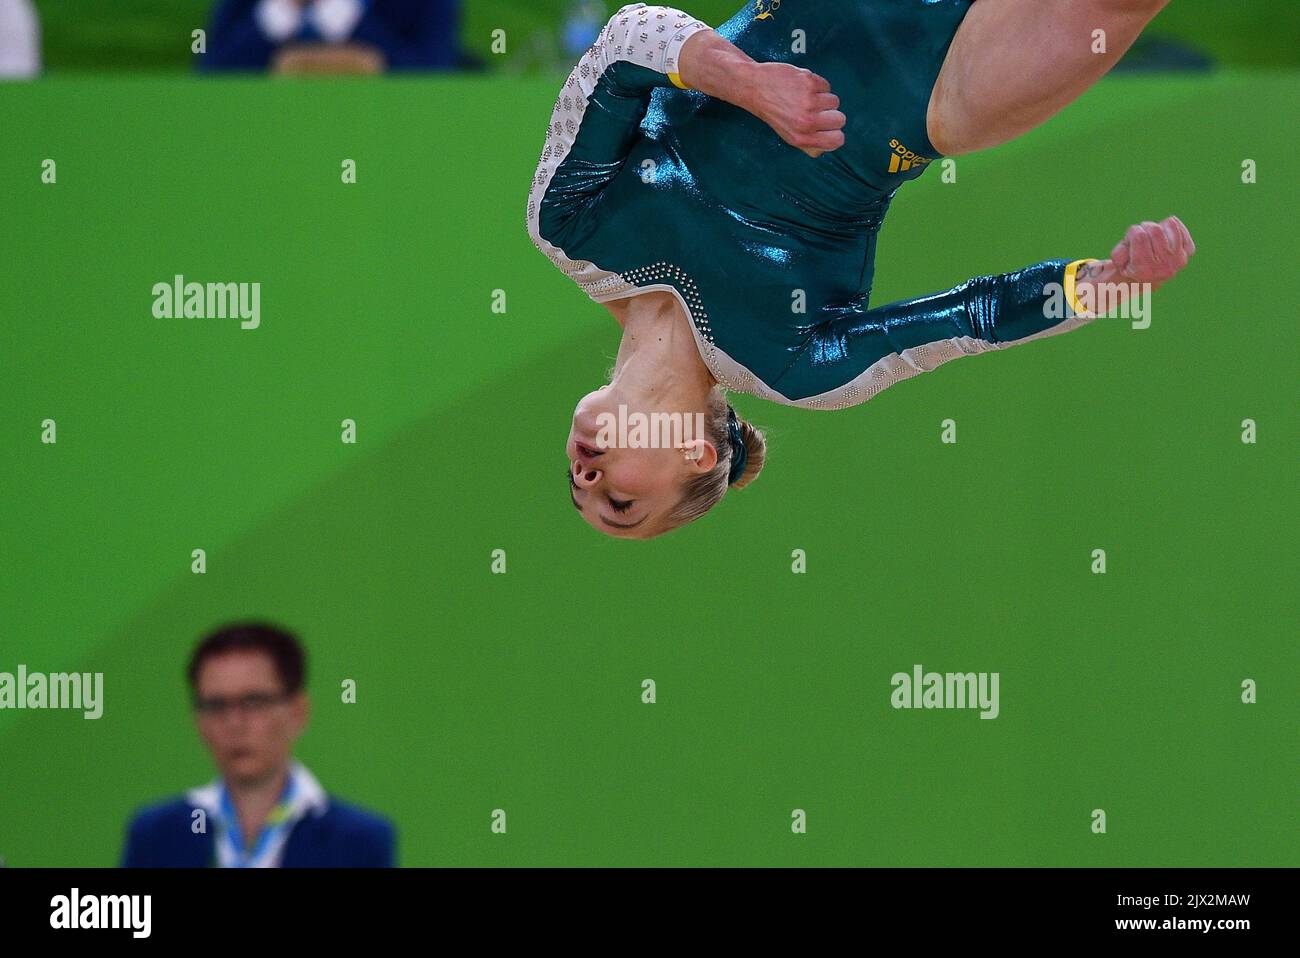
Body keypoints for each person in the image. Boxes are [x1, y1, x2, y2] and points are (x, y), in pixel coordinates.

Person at [525, 1, 1195, 539]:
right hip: (945, 88)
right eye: (620, 502)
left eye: (571, 483)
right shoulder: (793, 368)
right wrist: (1103, 287)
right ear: (696, 456)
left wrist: (750, 83)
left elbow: (621, 47)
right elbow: (969, 320)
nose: (585, 477)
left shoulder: (566, 229)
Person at [122, 622, 395, 867]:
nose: (235, 723)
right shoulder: (157, 834)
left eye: (254, 702)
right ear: (198, 720)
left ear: (298, 711)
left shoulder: (357, 840)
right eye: (217, 706)